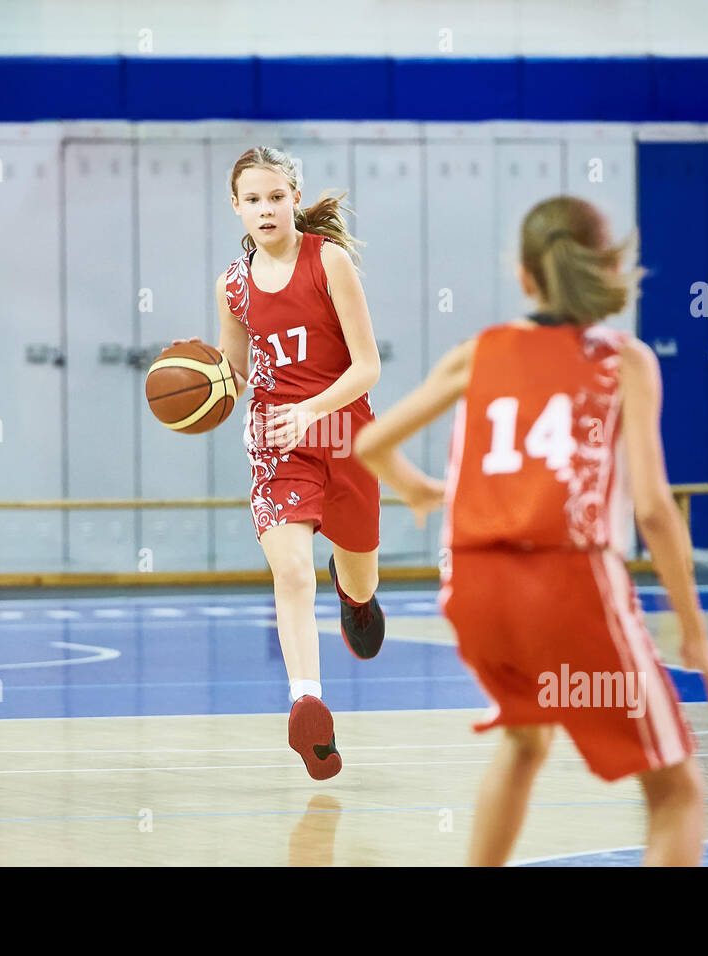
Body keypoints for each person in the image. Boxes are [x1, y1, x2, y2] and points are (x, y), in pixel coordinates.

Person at [354, 195, 708, 864]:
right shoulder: (625, 359)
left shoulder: (481, 350)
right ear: (609, 267)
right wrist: (695, 635)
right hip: (565, 581)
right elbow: (652, 510)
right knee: (677, 790)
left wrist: (415, 488)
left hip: (472, 584)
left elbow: (373, 442)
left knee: (526, 738)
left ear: (525, 277)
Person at [177, 147, 417, 779]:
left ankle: (356, 593)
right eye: (252, 199)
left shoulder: (328, 261)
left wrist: (313, 409)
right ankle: (306, 701)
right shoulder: (233, 283)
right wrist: (196, 386)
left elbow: (368, 366)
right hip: (276, 438)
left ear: (293, 200)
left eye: (276, 197)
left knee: (358, 577)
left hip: (343, 432)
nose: (265, 209)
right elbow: (231, 374)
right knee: (290, 573)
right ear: (236, 206)